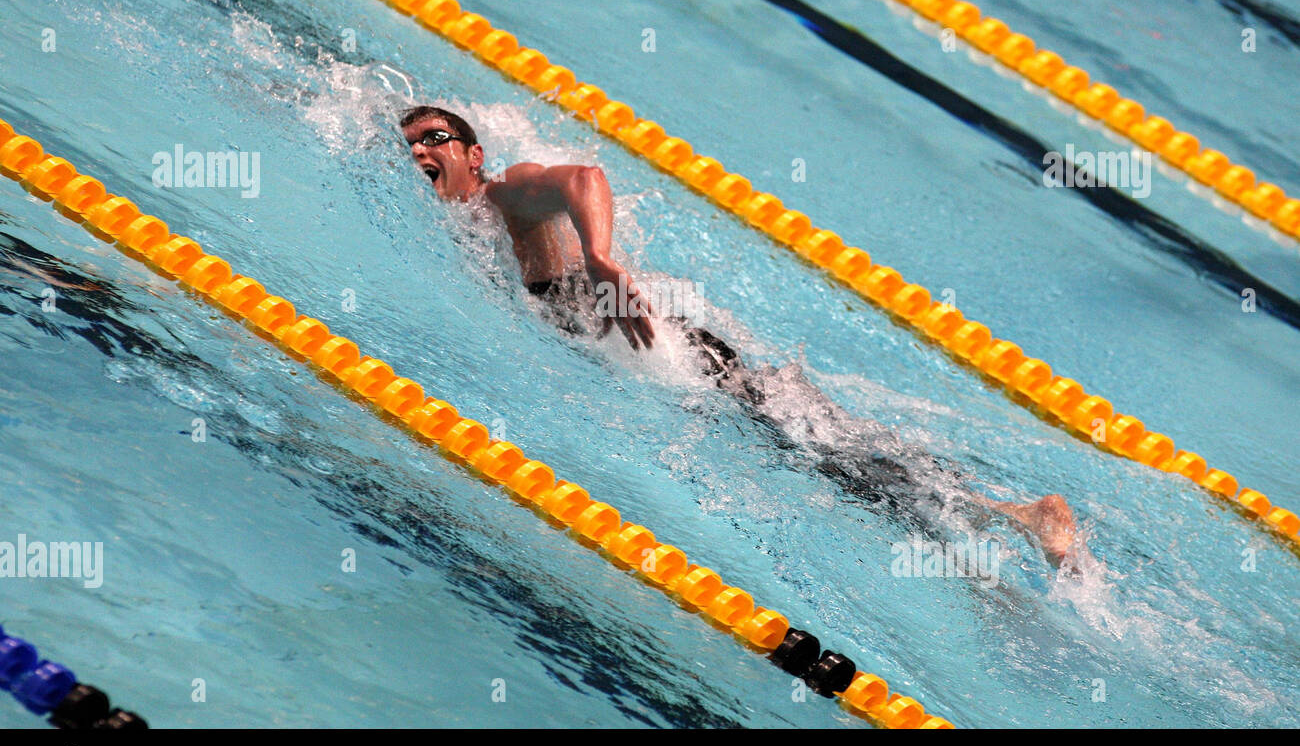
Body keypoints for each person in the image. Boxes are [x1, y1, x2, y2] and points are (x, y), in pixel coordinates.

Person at [401, 104, 1079, 563]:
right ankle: (1006, 514)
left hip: (679, 356)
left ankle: (1015, 514)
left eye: (435, 138)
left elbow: (583, 177)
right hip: (673, 355)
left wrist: (604, 260)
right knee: (834, 447)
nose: (420, 150)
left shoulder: (504, 192)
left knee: (834, 459)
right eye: (411, 144)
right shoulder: (478, 222)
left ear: (474, 153)